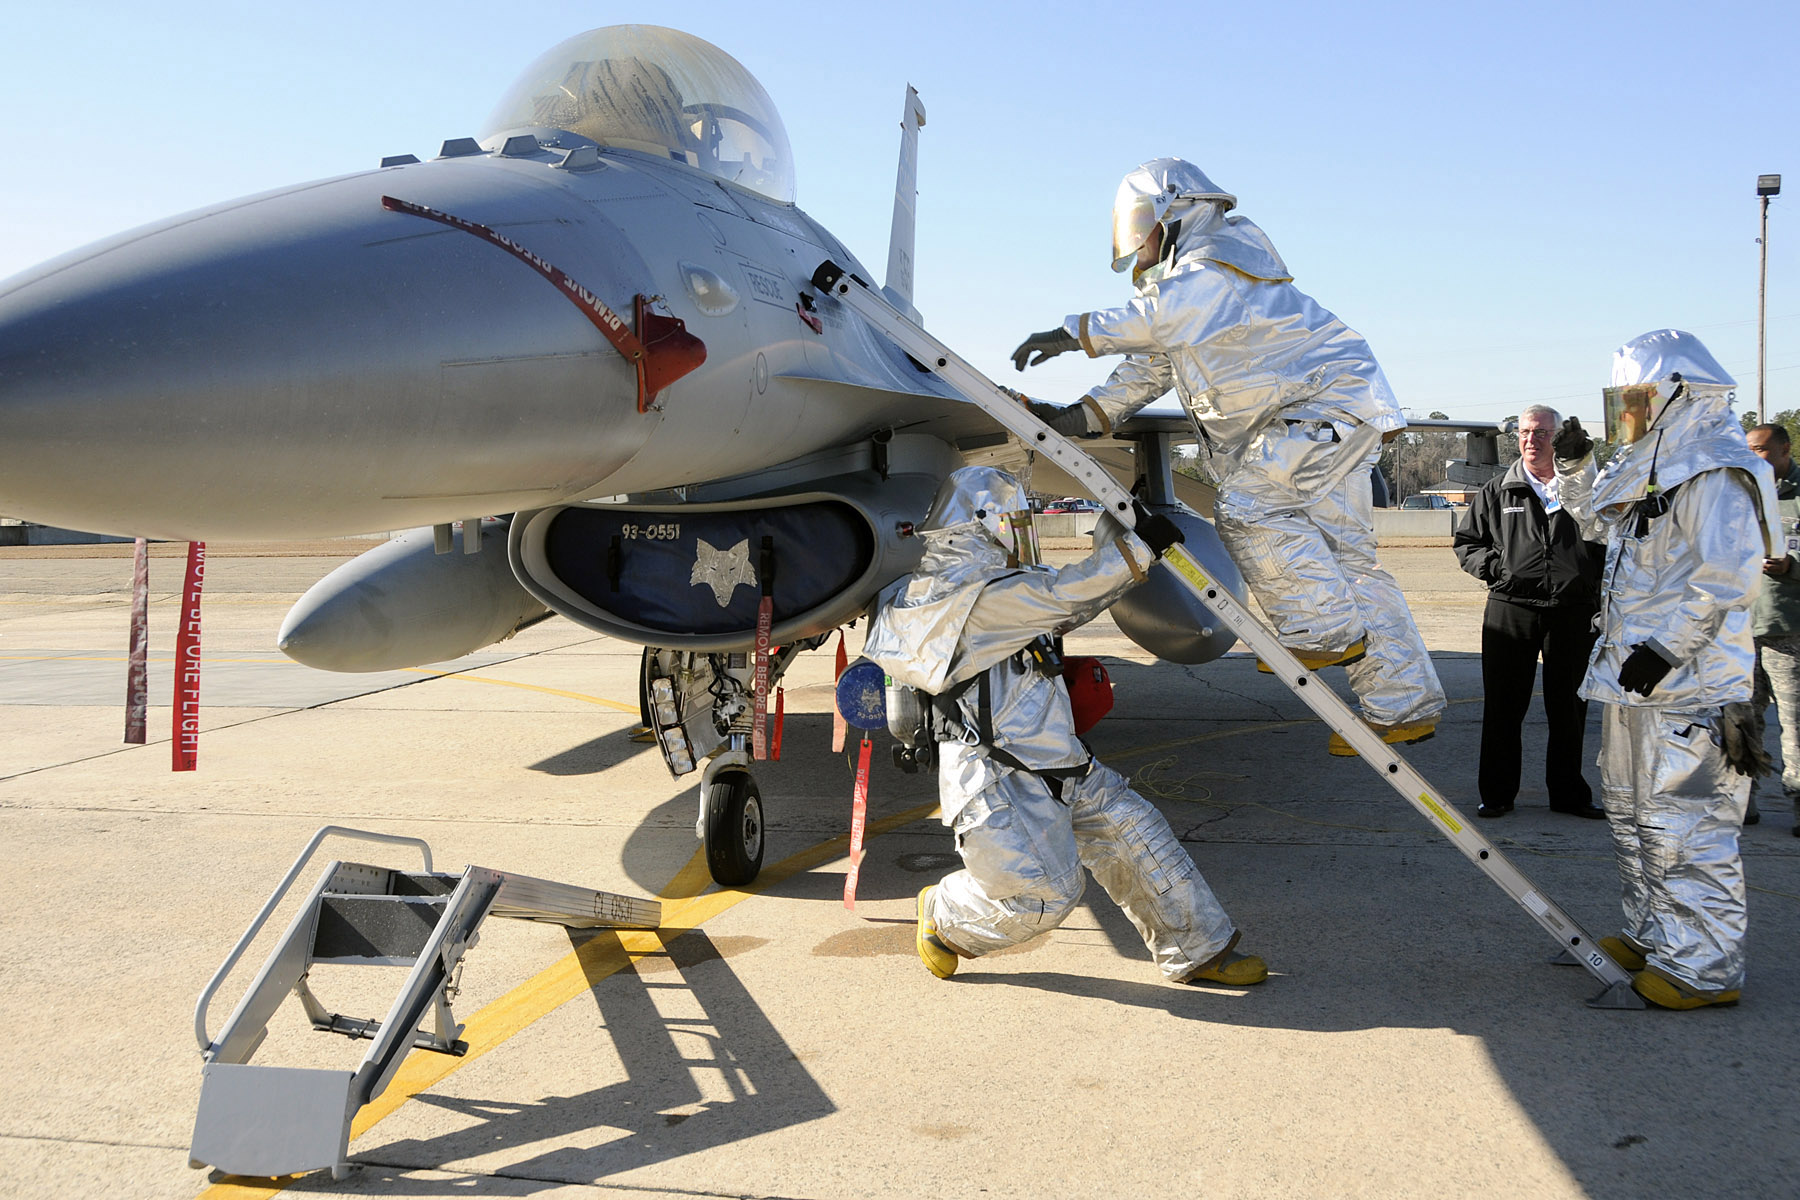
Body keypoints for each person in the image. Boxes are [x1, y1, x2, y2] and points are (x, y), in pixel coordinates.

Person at [1011, 158, 1444, 756]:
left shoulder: (1216, 264)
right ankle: (1403, 707)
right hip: (1343, 414)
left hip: (1321, 413)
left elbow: (1162, 319)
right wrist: (1082, 415)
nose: (1136, 241)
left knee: (1248, 510)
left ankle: (1321, 632)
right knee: (1352, 566)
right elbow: (1151, 366)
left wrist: (1069, 333)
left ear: (1176, 211)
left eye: (1142, 222)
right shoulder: (1203, 285)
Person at [860, 465, 1266, 986]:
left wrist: (1123, 531)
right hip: (999, 781)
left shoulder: (978, 592)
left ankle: (1198, 950)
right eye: (1016, 522)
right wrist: (1138, 547)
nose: (1022, 535)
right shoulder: (969, 600)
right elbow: (1063, 594)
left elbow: (1064, 607)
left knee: (1139, 839)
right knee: (1040, 899)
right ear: (987, 526)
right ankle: (946, 914)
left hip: (1056, 759)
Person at [1554, 330, 1777, 1009]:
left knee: (1686, 823)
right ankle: (1654, 934)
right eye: (1623, 400)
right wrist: (1573, 469)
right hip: (1635, 677)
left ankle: (1703, 970)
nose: (1630, 413)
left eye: (1638, 398)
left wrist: (1670, 647)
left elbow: (1728, 572)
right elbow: (1596, 523)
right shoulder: (1652, 463)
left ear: (1680, 392)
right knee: (1630, 809)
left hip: (1691, 683)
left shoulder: (1717, 468)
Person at [1453, 405, 1606, 819]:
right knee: (1503, 707)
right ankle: (1498, 794)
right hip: (1511, 609)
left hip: (1573, 612)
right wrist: (1497, 570)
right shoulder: (1500, 489)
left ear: (1558, 437)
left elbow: (1609, 538)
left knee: (1570, 709)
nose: (1530, 440)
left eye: (1541, 432)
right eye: (1524, 432)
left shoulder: (1584, 489)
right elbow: (1468, 543)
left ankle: (1569, 794)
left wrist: (1591, 581)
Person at [1746, 422, 1800, 832]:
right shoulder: (1740, 498)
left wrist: (1791, 566)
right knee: (1743, 720)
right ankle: (1742, 801)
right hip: (1743, 632)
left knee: (1795, 725)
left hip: (1789, 632)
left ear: (1784, 450)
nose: (1753, 457)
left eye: (1761, 450)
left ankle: (1798, 801)